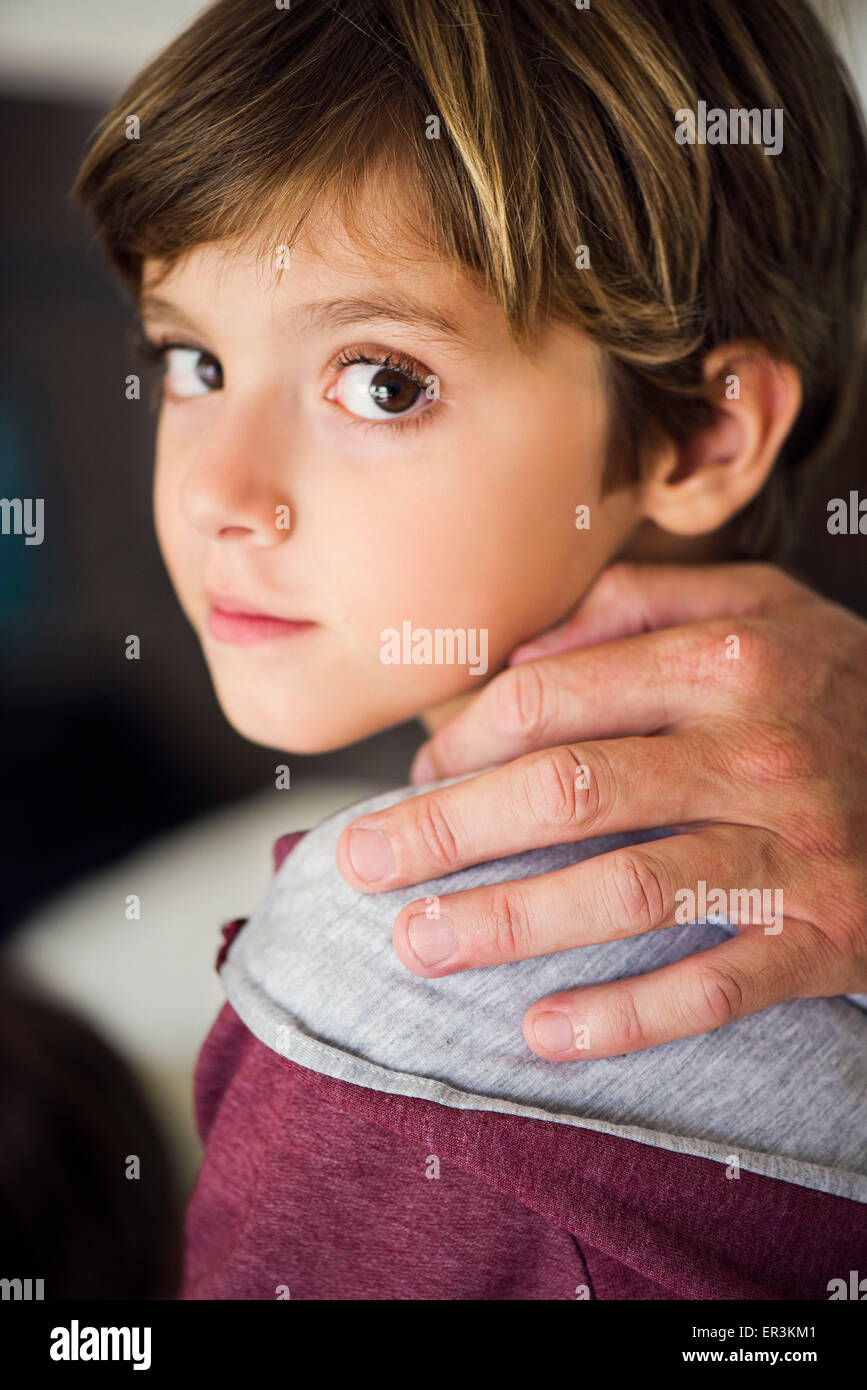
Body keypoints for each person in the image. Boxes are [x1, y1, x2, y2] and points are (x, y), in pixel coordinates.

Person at [73, 0, 867, 1298]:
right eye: (193, 359)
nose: (223, 489)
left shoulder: (369, 993)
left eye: (382, 381)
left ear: (701, 439)